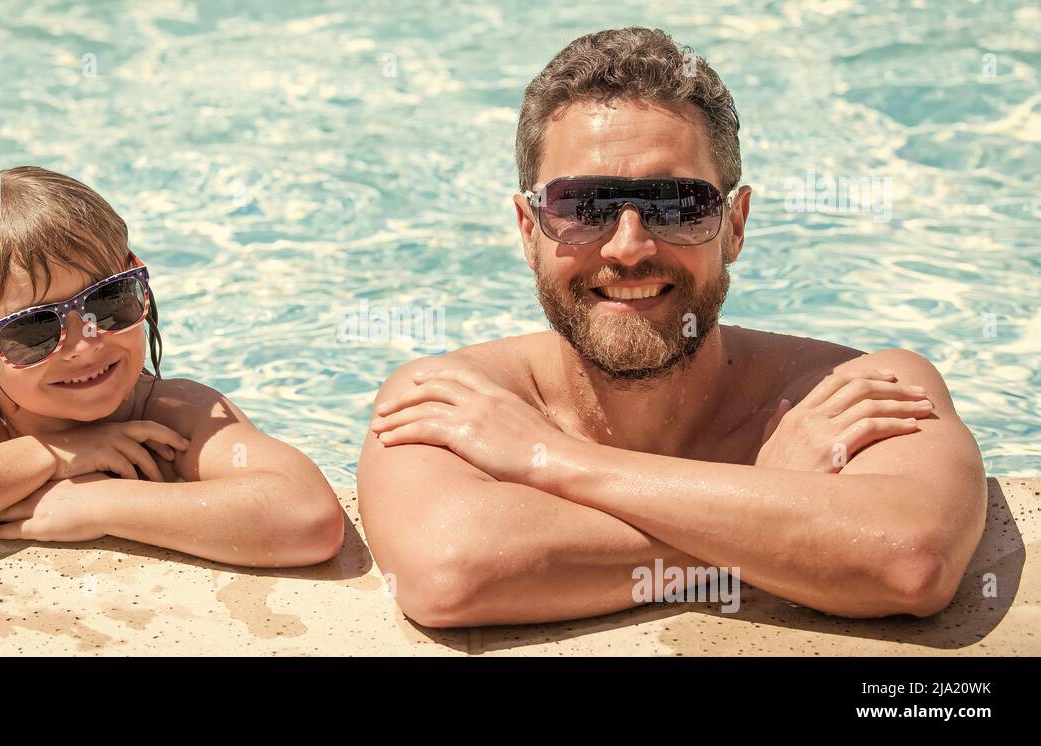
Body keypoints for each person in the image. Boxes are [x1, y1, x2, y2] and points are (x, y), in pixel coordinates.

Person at [358, 28, 986, 628]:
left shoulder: (860, 388)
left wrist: (549, 463)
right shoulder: (450, 398)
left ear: (735, 224)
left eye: (676, 206)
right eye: (583, 206)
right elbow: (449, 574)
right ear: (530, 230)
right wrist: (773, 507)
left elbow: (911, 560)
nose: (628, 248)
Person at [0, 166, 343, 568]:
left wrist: (98, 504)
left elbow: (307, 518)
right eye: (32, 330)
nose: (86, 343)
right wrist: (50, 455)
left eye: (109, 302)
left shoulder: (171, 414)